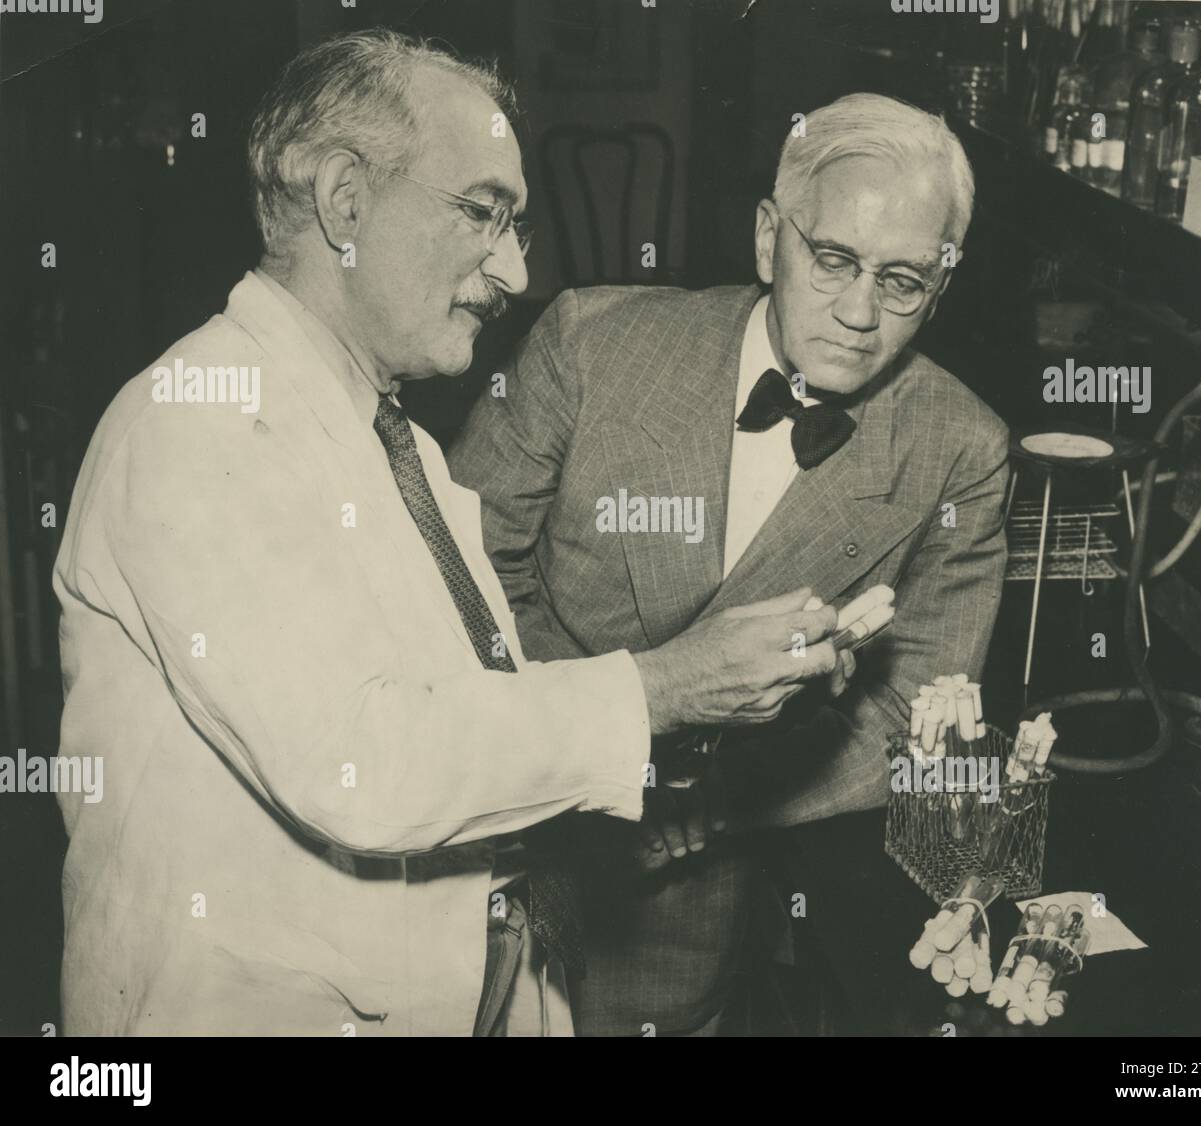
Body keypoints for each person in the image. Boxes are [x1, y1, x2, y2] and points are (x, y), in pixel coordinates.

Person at [51, 29, 847, 1037]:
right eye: (483, 213)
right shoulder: (193, 423)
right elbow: (362, 764)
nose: (515, 269)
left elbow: (475, 731)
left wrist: (702, 712)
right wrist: (664, 684)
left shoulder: (400, 446)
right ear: (345, 201)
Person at [449, 93, 1010, 1036]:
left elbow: (911, 711)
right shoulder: (589, 343)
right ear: (767, 240)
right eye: (831, 258)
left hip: (691, 894)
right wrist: (608, 745)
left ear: (940, 288)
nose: (861, 312)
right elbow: (458, 576)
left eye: (904, 280)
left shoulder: (960, 446)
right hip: (487, 830)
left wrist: (714, 804)